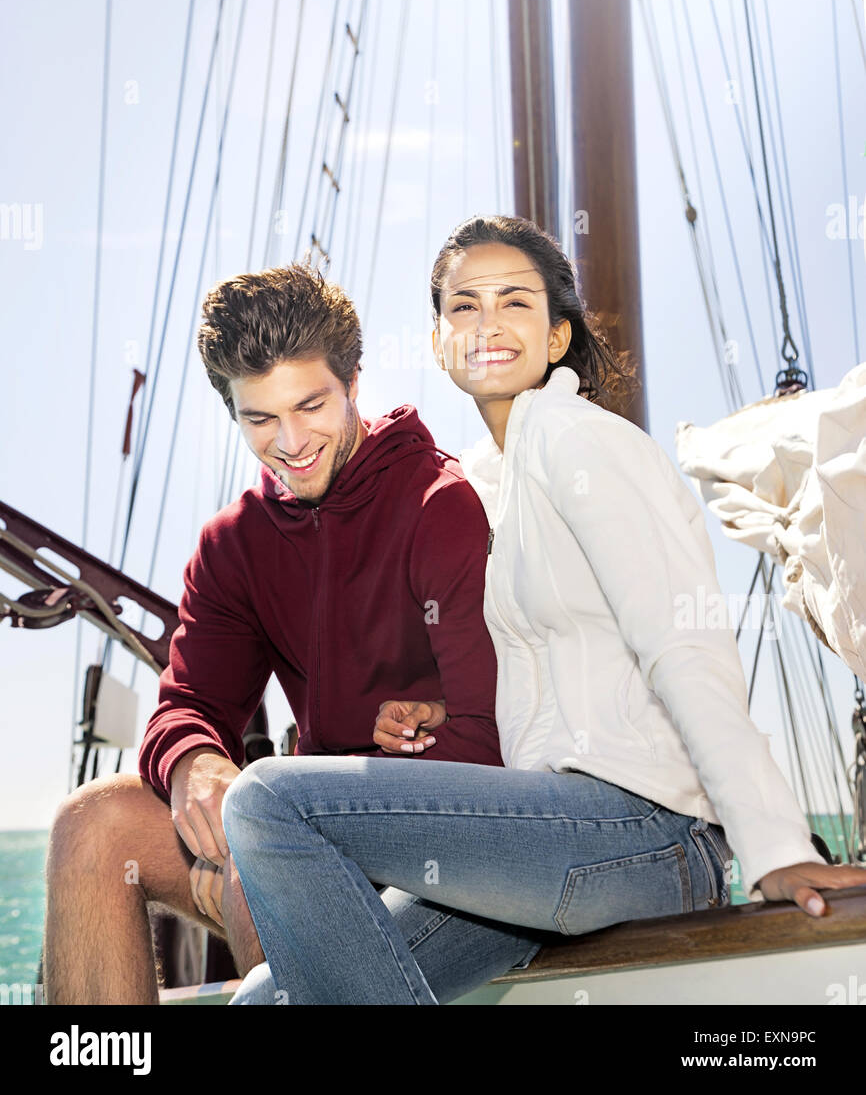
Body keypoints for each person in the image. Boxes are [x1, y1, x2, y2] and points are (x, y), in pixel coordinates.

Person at [222, 215, 866, 1006]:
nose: (487, 323)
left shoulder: (584, 442)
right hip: (553, 850)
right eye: (464, 306)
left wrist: (774, 848)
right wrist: (438, 709)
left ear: (558, 337)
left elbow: (683, 646)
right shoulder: (495, 481)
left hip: (645, 834)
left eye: (514, 302)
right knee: (266, 1003)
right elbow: (545, 669)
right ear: (436, 342)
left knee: (264, 801)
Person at [43, 263, 545, 1004]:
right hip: (291, 832)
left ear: (353, 381)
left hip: (439, 858)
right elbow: (187, 706)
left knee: (268, 838)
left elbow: (490, 747)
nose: (290, 442)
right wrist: (193, 765)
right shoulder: (234, 545)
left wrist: (288, 814)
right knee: (91, 827)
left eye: (310, 406)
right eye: (260, 420)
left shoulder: (441, 507)